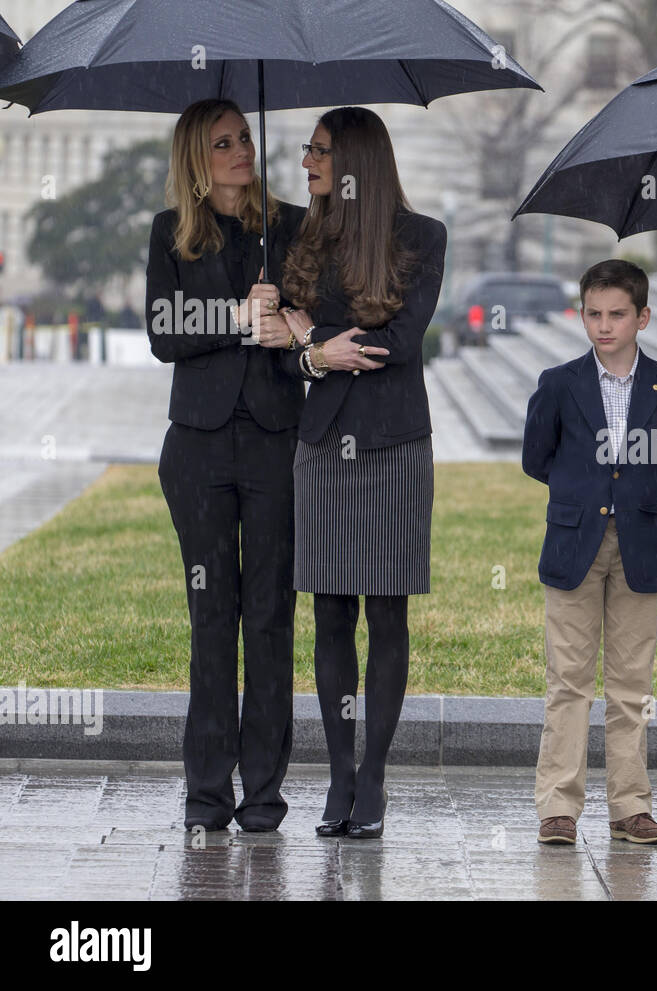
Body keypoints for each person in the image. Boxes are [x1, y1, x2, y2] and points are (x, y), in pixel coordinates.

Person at [278, 106, 447, 839]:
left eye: (317, 151)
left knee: (388, 612)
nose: (304, 163)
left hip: (394, 443)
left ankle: (373, 775)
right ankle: (339, 771)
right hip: (323, 446)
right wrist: (314, 349)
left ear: (352, 163)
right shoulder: (299, 237)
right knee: (330, 613)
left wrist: (315, 337)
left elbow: (402, 344)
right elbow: (279, 347)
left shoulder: (422, 238)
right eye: (306, 150)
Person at [146, 98, 306, 832]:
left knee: (270, 616)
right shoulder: (170, 235)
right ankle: (206, 792)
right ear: (196, 158)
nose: (241, 150)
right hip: (199, 448)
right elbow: (162, 330)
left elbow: (318, 321)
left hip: (276, 441)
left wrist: (287, 322)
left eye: (245, 138)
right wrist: (236, 318)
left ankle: (264, 795)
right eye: (223, 143)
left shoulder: (293, 227)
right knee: (212, 618)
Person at [523, 259, 657, 846]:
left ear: (642, 317)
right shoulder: (559, 382)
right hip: (574, 540)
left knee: (633, 682)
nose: (604, 325)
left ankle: (630, 806)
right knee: (568, 679)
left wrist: (630, 494)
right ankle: (558, 808)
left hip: (642, 543)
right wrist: (587, 492)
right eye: (594, 314)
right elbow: (536, 458)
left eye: (617, 315)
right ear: (582, 316)